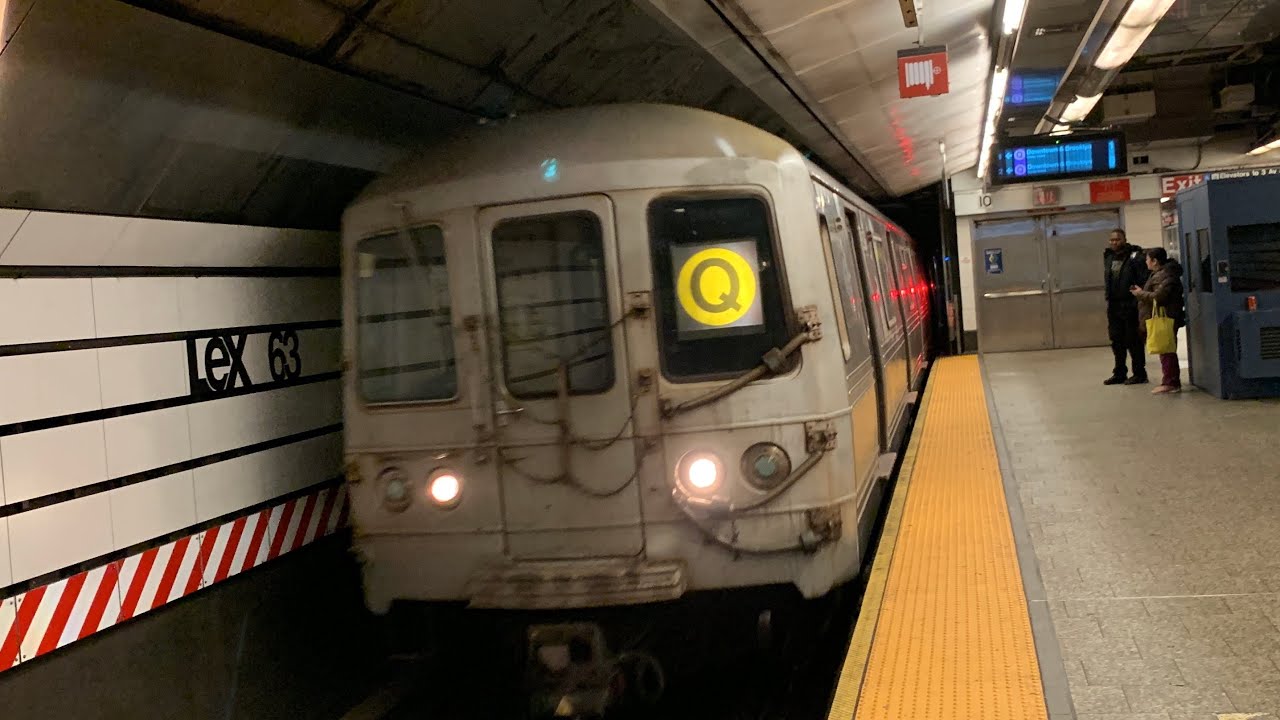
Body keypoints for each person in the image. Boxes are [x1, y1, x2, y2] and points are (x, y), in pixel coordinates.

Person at [1130, 247, 1185, 394]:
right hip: (1166, 316)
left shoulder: (1164, 275)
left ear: (1155, 261)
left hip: (1166, 317)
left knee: (1166, 350)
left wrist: (1140, 294)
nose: (1146, 262)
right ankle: (1169, 380)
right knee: (1164, 349)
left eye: (1148, 260)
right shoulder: (1160, 274)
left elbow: (1159, 297)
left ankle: (1171, 382)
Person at [1103, 228, 1149, 385]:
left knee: (1133, 340)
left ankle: (1139, 373)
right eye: (1112, 240)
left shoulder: (1135, 256)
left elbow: (1143, 279)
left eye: (1117, 239)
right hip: (1114, 305)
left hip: (1130, 304)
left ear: (1124, 240)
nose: (1114, 242)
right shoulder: (1109, 257)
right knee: (1116, 339)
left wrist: (1137, 298)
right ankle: (1119, 372)